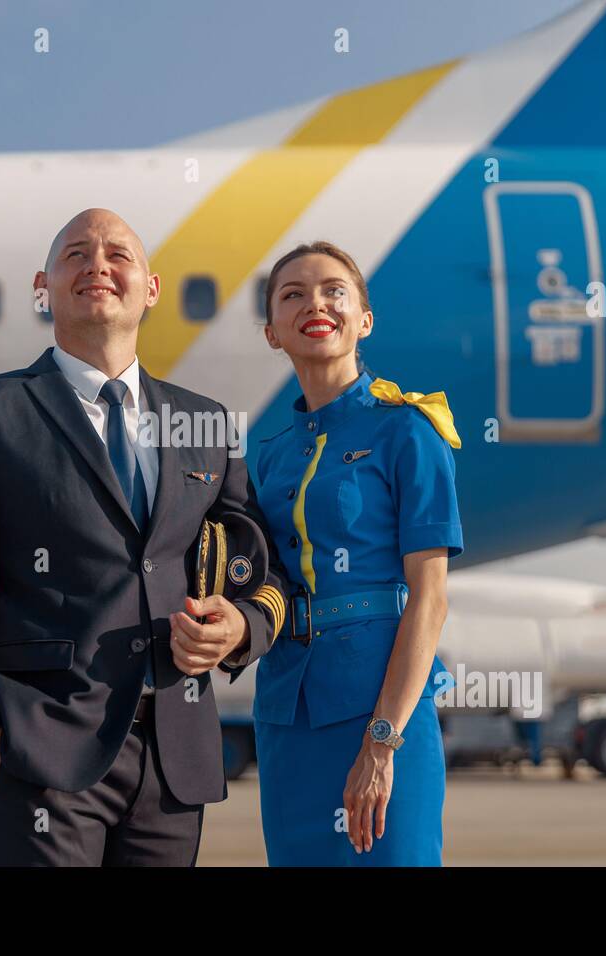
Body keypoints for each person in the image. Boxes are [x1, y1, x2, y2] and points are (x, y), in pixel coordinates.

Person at [0, 207, 288, 866]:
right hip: (35, 756)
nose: (97, 266)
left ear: (151, 289)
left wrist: (242, 628)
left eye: (118, 255)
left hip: (172, 764)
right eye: (75, 254)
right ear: (43, 287)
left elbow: (260, 571)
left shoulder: (207, 423)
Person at [248, 240, 463, 866]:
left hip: (379, 706)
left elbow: (430, 599)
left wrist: (382, 741)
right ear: (272, 332)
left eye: (333, 291)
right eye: (292, 295)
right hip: (289, 712)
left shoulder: (408, 431)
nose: (315, 303)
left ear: (363, 319)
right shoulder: (273, 453)